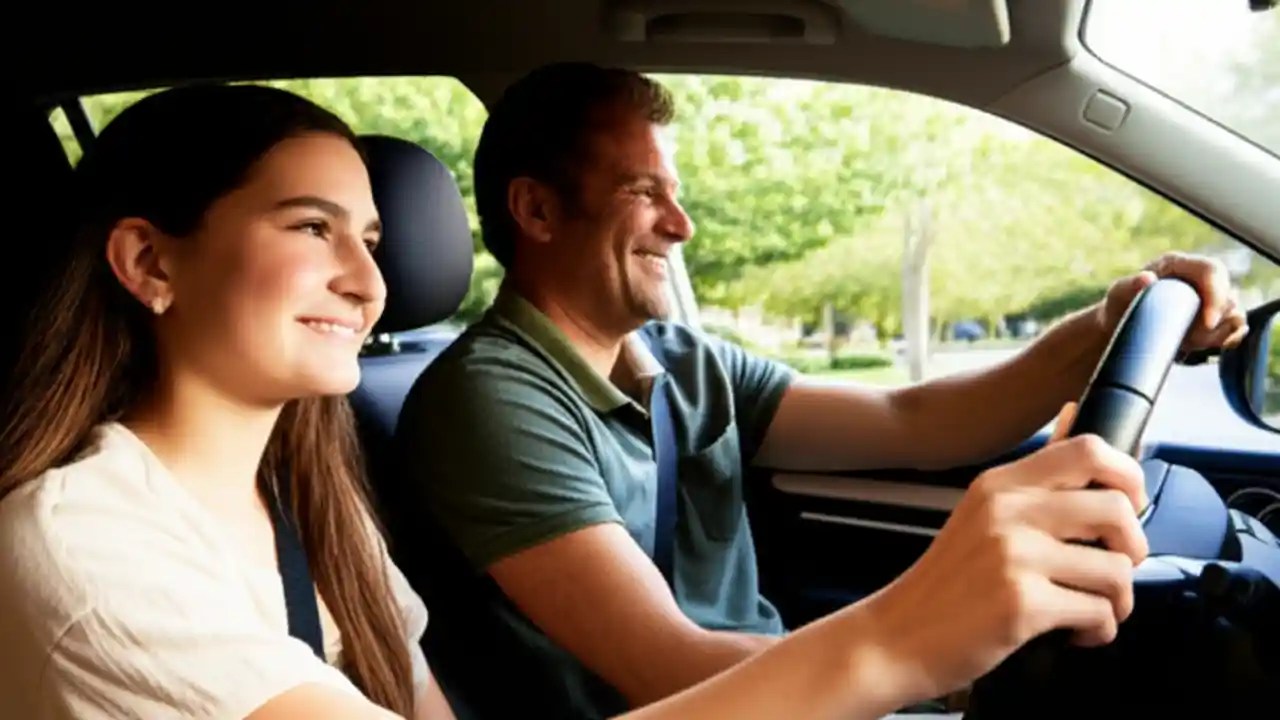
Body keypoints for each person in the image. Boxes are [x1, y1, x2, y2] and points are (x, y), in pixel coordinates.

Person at [393, 62, 1249, 718]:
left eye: (677, 194)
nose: (681, 226)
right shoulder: (493, 400)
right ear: (537, 213)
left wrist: (1104, 326)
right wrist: (936, 671)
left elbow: (913, 422)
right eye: (642, 191)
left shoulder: (679, 360)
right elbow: (665, 666)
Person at [0, 84, 455, 720]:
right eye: (313, 227)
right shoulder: (79, 541)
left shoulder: (319, 506)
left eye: (371, 242)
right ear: (150, 262)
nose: (369, 284)